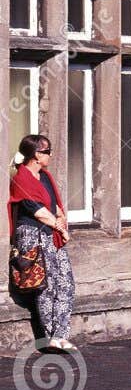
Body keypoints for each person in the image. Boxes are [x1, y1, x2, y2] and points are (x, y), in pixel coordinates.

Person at [8, 134, 76, 353]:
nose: (50, 155)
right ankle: (50, 338)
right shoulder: (21, 179)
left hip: (51, 233)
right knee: (45, 287)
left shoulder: (45, 176)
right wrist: (59, 226)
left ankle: (60, 335)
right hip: (33, 235)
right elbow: (36, 210)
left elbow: (54, 205)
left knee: (66, 282)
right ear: (36, 155)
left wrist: (62, 224)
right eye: (47, 151)